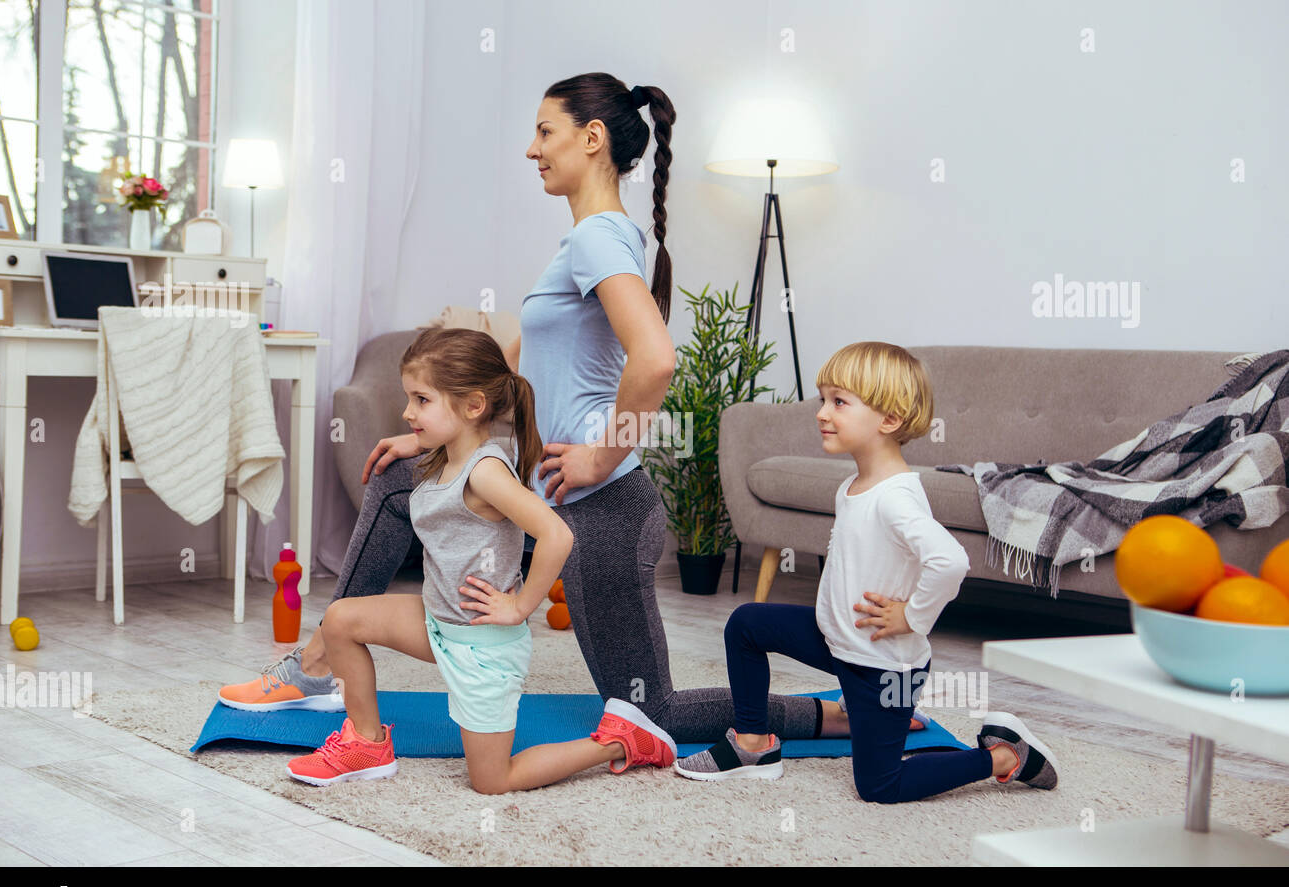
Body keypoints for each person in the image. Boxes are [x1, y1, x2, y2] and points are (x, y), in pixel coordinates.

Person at [221, 72, 848, 743]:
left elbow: (656, 358)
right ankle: (318, 664)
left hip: (602, 509)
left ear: (593, 138)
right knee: (398, 481)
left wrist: (601, 454)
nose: (532, 149)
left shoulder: (598, 239)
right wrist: (436, 442)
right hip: (556, 491)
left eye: (545, 132)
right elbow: (516, 376)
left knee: (648, 712)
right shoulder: (594, 240)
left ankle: (829, 714)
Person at [286, 327, 675, 790]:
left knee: (492, 780)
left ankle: (622, 740)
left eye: (421, 400)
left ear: (473, 406)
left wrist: (520, 607)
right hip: (438, 623)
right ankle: (366, 743)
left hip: (483, 647)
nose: (407, 412)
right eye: (409, 398)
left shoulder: (486, 473)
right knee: (341, 620)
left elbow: (556, 534)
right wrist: (422, 436)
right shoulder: (444, 457)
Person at [674, 342, 1060, 800]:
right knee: (747, 625)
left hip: (882, 669)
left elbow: (951, 560)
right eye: (822, 399)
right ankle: (753, 746)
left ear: (889, 420)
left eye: (839, 402)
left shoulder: (895, 497)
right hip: (837, 642)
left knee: (880, 786)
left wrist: (912, 618)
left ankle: (1003, 755)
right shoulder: (852, 485)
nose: (821, 412)